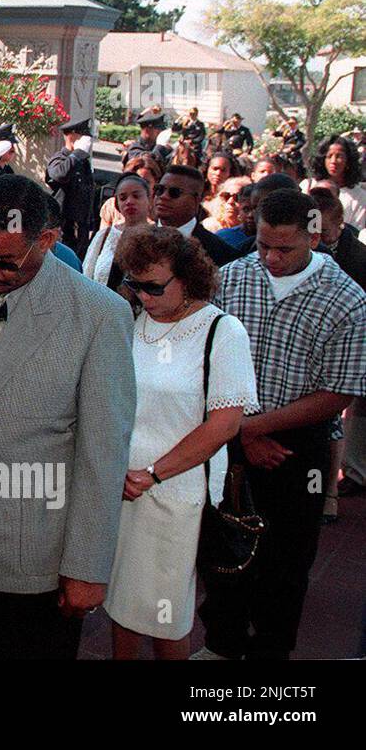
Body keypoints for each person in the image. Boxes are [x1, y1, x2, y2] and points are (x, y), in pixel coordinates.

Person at [0, 175, 134, 660]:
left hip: (28, 560)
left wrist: (87, 567)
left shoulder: (97, 315)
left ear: (46, 241)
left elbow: (103, 453)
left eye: (6, 261)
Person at [198, 189, 366, 660]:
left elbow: (338, 393)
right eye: (263, 245)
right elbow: (206, 359)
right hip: (228, 434)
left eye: (284, 248)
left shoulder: (348, 299)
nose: (270, 257)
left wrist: (250, 429)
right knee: (223, 549)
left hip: (296, 447)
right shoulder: (231, 278)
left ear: (313, 235)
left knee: (287, 562)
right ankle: (221, 645)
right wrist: (242, 432)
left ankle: (271, 653)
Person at [103, 226, 258, 660]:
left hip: (177, 492)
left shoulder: (222, 332)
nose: (143, 296)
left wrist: (153, 474)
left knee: (165, 612)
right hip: (123, 486)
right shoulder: (132, 323)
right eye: (134, 285)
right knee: (122, 603)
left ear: (187, 277)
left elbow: (224, 425)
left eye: (153, 286)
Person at [308, 186, 366, 524]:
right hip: (309, 346)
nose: (316, 235)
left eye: (323, 229)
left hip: (341, 348)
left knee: (330, 425)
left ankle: (326, 494)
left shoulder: (357, 257)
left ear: (339, 224)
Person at [108, 164, 238, 291]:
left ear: (196, 200)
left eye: (174, 193)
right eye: (159, 190)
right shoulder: (132, 241)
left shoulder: (221, 254)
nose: (163, 196)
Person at [84, 173, 152, 287]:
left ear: (149, 199)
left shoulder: (157, 238)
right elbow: (86, 277)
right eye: (123, 198)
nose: (129, 202)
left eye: (136, 196)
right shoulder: (104, 236)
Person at [45, 118, 96, 257]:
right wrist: (77, 153)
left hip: (80, 229)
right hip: (64, 228)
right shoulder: (60, 159)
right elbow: (58, 175)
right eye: (82, 136)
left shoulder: (82, 162)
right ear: (71, 135)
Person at [302, 135, 366, 231]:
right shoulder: (307, 186)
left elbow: (356, 231)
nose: (333, 161)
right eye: (329, 156)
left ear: (348, 161)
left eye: (339, 156)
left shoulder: (359, 196)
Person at [99, 154, 162, 230]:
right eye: (134, 180)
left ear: (156, 182)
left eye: (145, 182)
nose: (138, 186)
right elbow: (103, 236)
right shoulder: (111, 206)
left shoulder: (161, 209)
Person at [215, 180, 258, 249]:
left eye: (256, 209)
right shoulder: (223, 237)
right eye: (246, 209)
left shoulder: (274, 240)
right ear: (239, 209)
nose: (251, 215)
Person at [201, 152, 237, 219]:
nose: (218, 173)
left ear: (230, 173)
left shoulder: (233, 196)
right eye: (215, 169)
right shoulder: (199, 191)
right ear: (207, 169)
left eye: (223, 170)